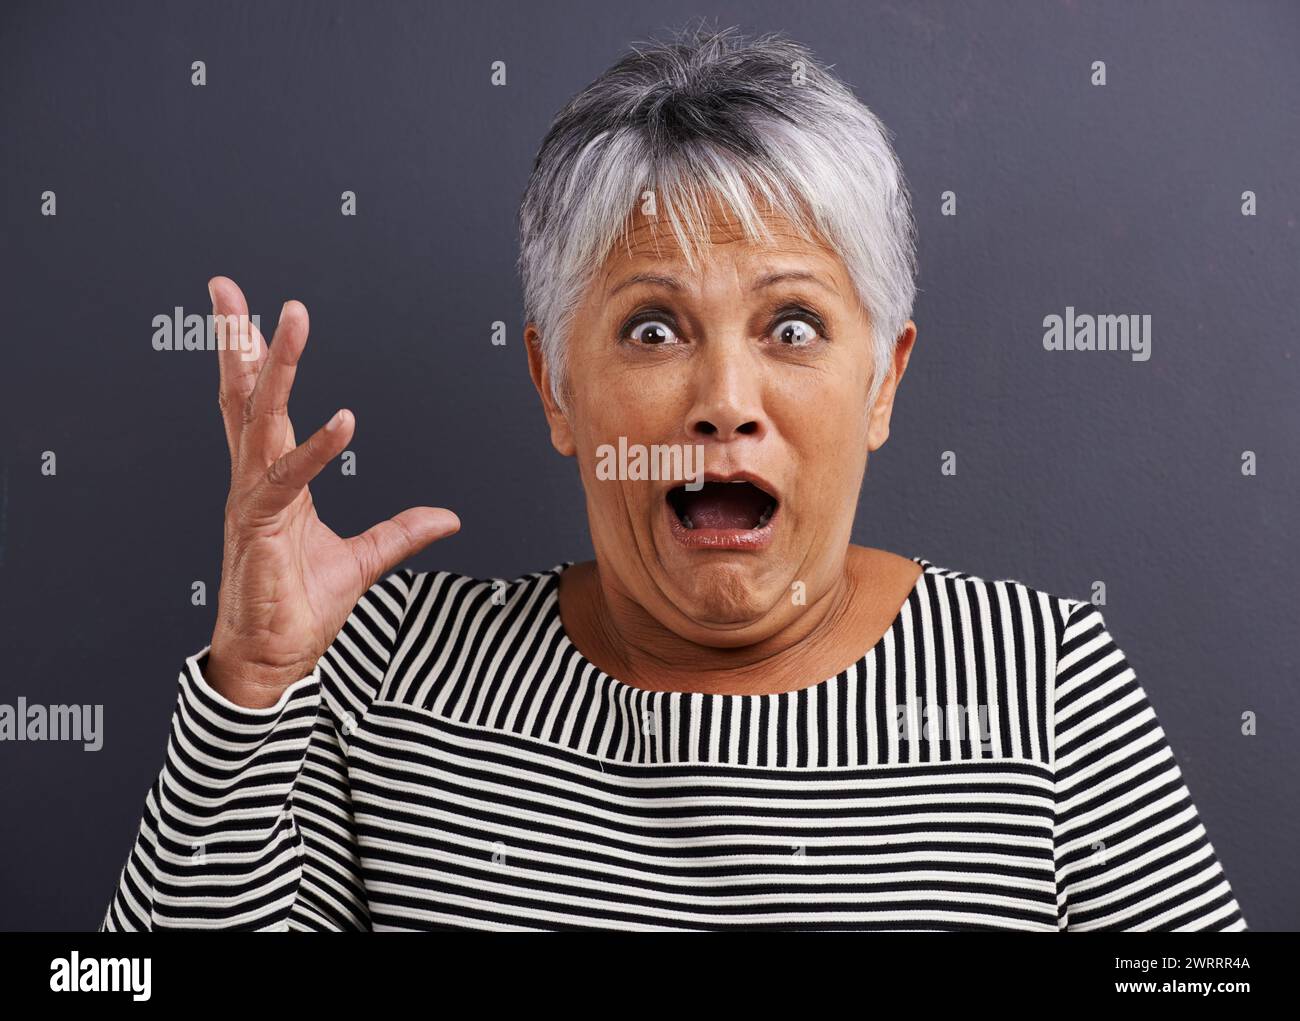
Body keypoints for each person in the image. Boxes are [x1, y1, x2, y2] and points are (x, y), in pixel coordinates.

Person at [100, 26, 1246, 931]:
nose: (725, 399)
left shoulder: (1041, 687)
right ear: (556, 385)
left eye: (792, 325)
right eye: (652, 330)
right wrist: (249, 691)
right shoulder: (384, 667)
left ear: (882, 383)